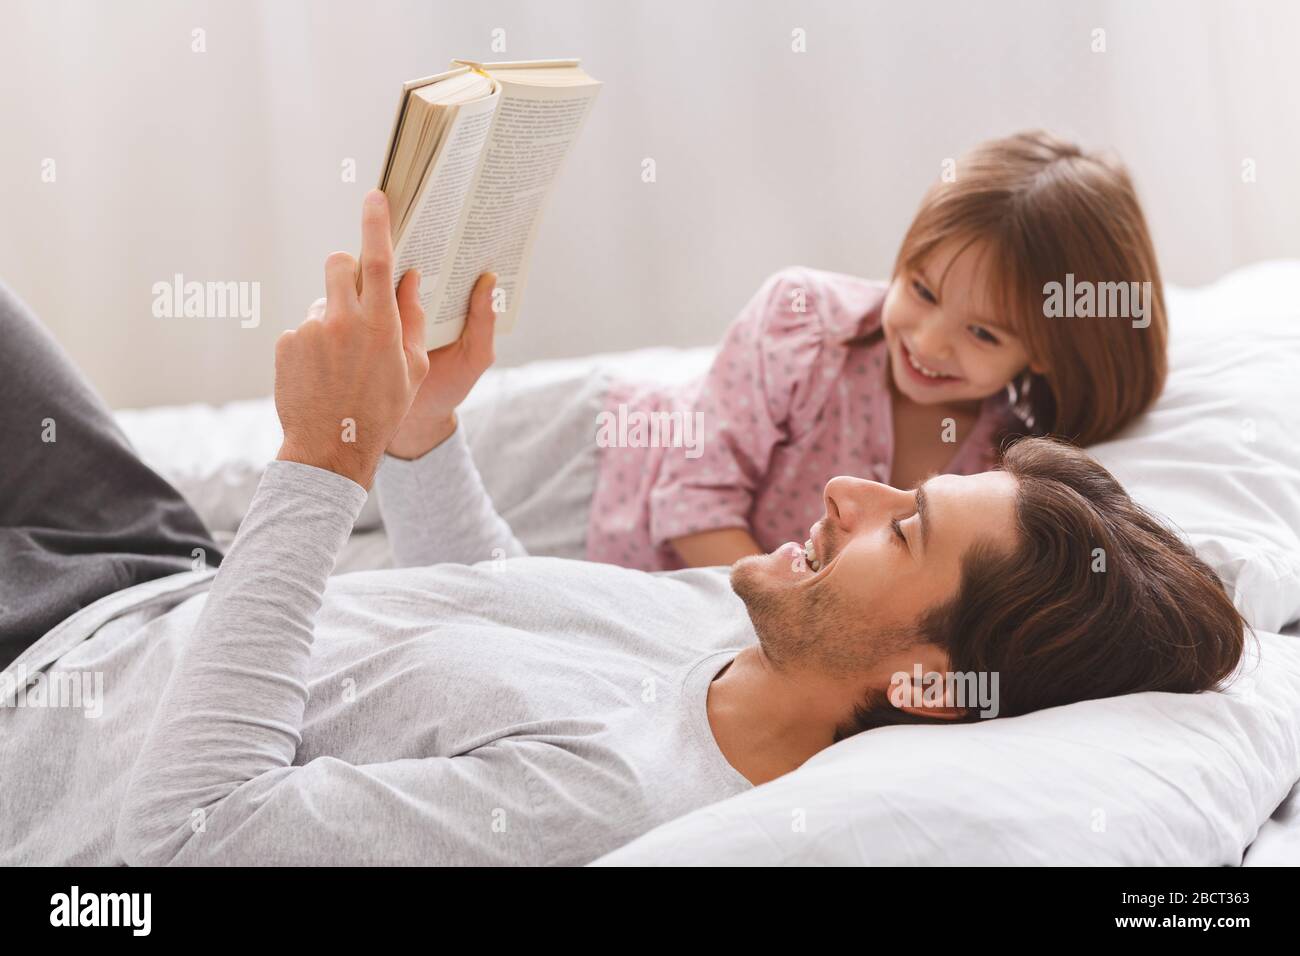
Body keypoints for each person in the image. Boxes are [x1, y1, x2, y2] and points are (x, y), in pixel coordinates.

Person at [0, 192, 1244, 867]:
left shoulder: (598, 804)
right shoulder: (755, 633)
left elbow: (182, 844)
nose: (847, 494)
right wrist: (424, 432)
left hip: (35, 681)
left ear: (924, 682)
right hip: (153, 574)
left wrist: (325, 458)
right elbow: (489, 607)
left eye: (902, 528)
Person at [584, 130, 1170, 570]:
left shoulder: (993, 473)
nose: (927, 341)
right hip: (594, 472)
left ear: (1045, 351)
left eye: (983, 333)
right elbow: (693, 505)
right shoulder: (803, 324)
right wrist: (791, 623)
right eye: (922, 290)